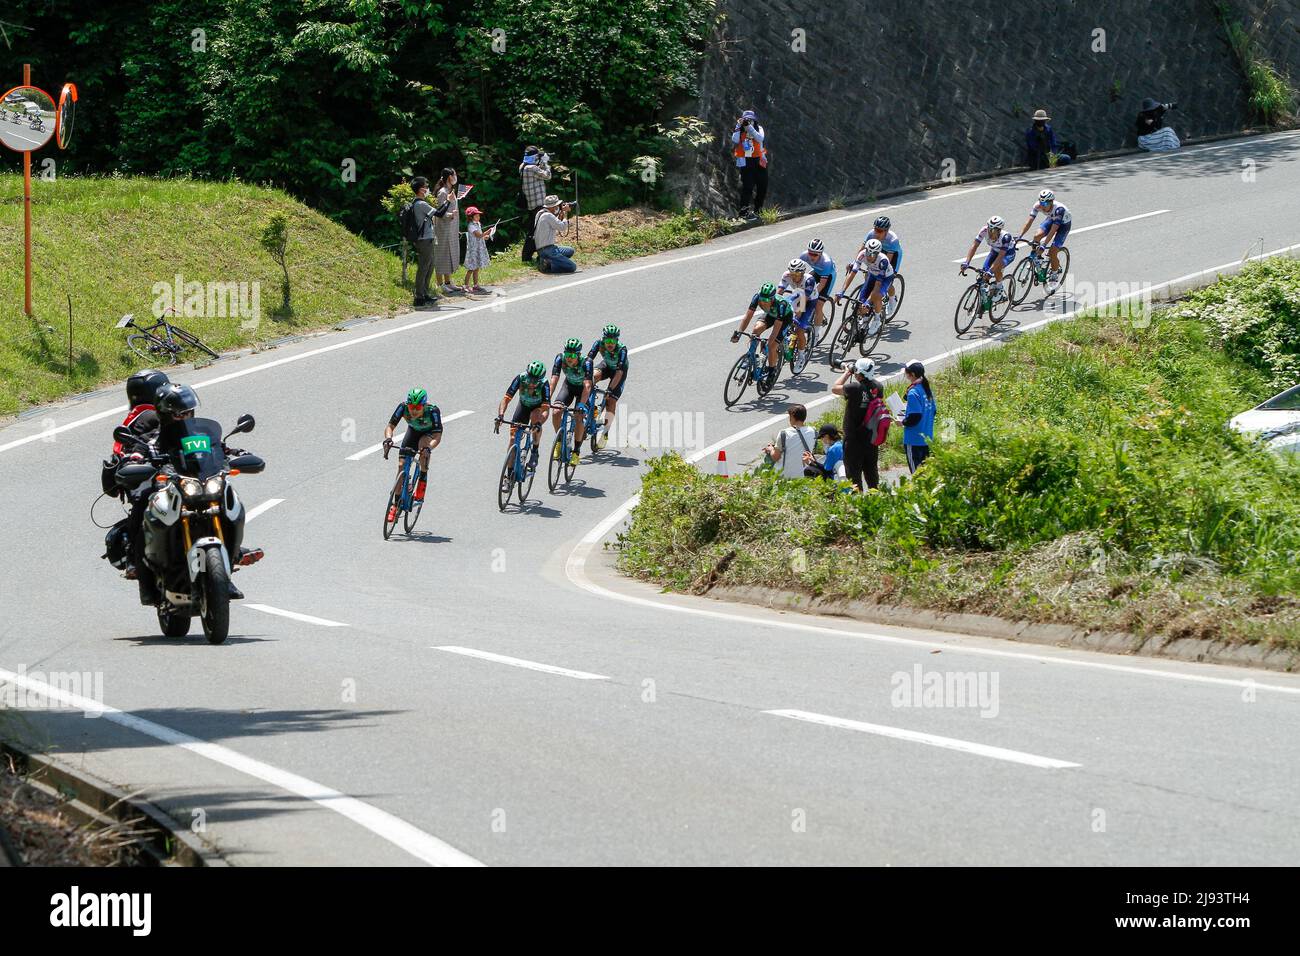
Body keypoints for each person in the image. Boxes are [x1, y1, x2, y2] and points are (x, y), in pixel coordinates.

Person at [152, 383, 261, 599]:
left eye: (189, 412)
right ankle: (156, 563)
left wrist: (236, 453)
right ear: (165, 415)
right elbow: (140, 455)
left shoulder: (201, 435)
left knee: (231, 503)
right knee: (150, 513)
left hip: (203, 485)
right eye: (179, 415)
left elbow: (219, 448)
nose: (186, 417)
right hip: (174, 490)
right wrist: (137, 460)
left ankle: (229, 564)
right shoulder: (156, 441)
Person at [101, 368, 170, 592]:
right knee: (144, 504)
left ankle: (227, 550)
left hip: (171, 471)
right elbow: (143, 444)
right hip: (149, 476)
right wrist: (138, 455)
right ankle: (134, 556)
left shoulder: (136, 418)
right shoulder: (150, 417)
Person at [382, 387, 443, 523]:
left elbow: (438, 436)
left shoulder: (433, 411)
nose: (414, 410)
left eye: (417, 407)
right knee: (401, 466)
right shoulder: (402, 407)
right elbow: (390, 426)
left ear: (424, 405)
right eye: (411, 406)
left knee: (423, 449)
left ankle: (422, 478)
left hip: (429, 434)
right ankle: (395, 505)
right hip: (413, 432)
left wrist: (428, 448)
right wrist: (388, 439)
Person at [831, 358, 885, 491]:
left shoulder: (854, 388)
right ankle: (875, 502)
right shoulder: (878, 387)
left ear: (858, 372)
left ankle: (857, 506)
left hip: (853, 441)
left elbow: (835, 388)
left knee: (854, 478)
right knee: (872, 476)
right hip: (871, 439)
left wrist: (847, 372)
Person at [732, 282, 794, 388]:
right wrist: (739, 332)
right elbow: (748, 316)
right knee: (756, 330)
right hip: (770, 315)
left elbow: (776, 327)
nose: (763, 302)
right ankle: (751, 355)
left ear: (772, 298)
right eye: (762, 299)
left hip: (784, 319)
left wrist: (771, 341)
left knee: (771, 346)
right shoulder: (757, 297)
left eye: (766, 300)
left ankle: (772, 371)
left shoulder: (781, 304)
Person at [496, 361, 551, 471]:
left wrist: (539, 423)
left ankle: (535, 451)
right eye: (530, 378)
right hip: (523, 407)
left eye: (535, 380)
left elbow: (546, 409)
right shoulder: (520, 378)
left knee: (535, 417)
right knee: (512, 440)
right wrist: (500, 416)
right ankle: (509, 474)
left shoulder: (544, 384)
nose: (532, 382)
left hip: (538, 408)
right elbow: (506, 398)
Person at [837, 238, 895, 337]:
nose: (869, 256)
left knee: (876, 296)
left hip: (885, 278)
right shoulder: (862, 254)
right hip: (872, 274)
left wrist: (868, 302)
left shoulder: (883, 261)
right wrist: (842, 291)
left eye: (872, 254)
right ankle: (864, 320)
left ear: (877, 254)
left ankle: (877, 319)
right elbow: (852, 273)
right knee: (861, 301)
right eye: (868, 253)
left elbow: (877, 286)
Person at [549, 338, 593, 465]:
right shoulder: (560, 358)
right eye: (567, 354)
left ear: (578, 355)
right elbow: (554, 379)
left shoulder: (587, 362)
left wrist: (581, 404)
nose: (569, 358)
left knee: (579, 416)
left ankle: (576, 451)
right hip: (568, 387)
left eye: (572, 355)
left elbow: (587, 386)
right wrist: (547, 398)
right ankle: (559, 441)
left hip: (583, 390)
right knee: (556, 412)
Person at [960, 215, 1017, 301]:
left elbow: (1001, 256)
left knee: (996, 269)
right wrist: (966, 262)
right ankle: (984, 301)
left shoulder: (1005, 237)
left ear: (999, 230)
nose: (990, 232)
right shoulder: (984, 230)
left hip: (1007, 254)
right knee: (983, 274)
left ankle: (999, 289)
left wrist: (991, 271)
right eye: (989, 228)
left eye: (993, 230)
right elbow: (974, 246)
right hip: (994, 251)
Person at [588, 324, 627, 445]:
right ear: (603, 339)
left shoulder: (622, 350)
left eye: (613, 340)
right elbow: (588, 360)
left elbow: (619, 372)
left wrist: (610, 389)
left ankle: (605, 432)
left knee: (611, 401)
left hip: (619, 372)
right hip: (606, 366)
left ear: (617, 340)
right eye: (607, 340)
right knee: (591, 377)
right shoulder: (598, 343)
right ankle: (589, 405)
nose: (610, 343)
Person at [1018, 189, 1072, 278]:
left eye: (1045, 204)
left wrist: (1044, 244)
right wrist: (1020, 235)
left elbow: (1054, 229)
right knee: (1036, 236)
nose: (1042, 206)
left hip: (1063, 225)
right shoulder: (1037, 206)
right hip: (1051, 219)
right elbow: (1029, 221)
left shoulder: (1059, 210)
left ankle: (1055, 272)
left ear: (1051, 202)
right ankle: (1038, 259)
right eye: (1041, 202)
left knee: (1052, 252)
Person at [899, 360, 937, 473]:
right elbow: (933, 411)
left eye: (906, 372)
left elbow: (915, 417)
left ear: (912, 375)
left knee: (917, 476)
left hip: (913, 440)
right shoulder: (927, 389)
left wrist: (902, 422)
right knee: (926, 476)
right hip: (927, 438)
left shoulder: (913, 392)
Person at [731, 109, 768, 220]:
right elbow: (735, 140)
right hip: (746, 161)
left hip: (759, 159)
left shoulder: (758, 128)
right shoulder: (739, 129)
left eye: (751, 120)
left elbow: (760, 138)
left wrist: (749, 128)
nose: (749, 121)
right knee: (748, 187)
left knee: (763, 186)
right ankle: (743, 213)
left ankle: (758, 210)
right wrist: (739, 126)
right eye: (747, 120)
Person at [776, 258, 816, 359]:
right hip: (797, 294)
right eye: (792, 274)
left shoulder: (809, 280)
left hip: (810, 300)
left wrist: (796, 316)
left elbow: (803, 301)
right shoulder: (786, 275)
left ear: (802, 273)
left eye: (796, 275)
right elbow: (779, 293)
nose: (793, 277)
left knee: (799, 330)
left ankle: (802, 356)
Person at [764, 404, 817, 479]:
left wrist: (771, 449)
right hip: (805, 475)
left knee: (768, 460)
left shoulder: (784, 433)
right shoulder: (813, 431)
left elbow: (776, 457)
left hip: (785, 476)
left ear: (792, 417)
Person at [518, 145, 552, 262]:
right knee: (536, 231)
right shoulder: (532, 168)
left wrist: (541, 162)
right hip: (538, 204)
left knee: (533, 229)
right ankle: (528, 256)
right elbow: (547, 176)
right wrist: (545, 163)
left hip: (531, 204)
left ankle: (531, 255)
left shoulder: (522, 166)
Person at [433, 168, 463, 294]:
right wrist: (450, 214)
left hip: (451, 228)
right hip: (442, 229)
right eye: (454, 174)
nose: (456, 176)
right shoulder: (443, 192)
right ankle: (439, 284)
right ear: (449, 177)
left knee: (449, 255)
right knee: (442, 255)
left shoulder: (450, 191)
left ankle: (448, 282)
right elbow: (439, 212)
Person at [409, 176, 438, 307]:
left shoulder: (419, 203)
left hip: (428, 238)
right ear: (421, 189)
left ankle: (425, 293)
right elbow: (440, 213)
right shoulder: (420, 204)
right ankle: (419, 297)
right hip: (424, 240)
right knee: (423, 267)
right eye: (426, 187)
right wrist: (448, 201)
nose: (428, 189)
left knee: (429, 266)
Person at [799, 238, 836, 332]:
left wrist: (811, 295)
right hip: (816, 272)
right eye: (810, 253)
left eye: (815, 254)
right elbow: (799, 273)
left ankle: (816, 333)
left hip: (828, 277)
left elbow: (822, 284)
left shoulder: (826, 262)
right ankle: (800, 318)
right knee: (801, 294)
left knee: (818, 305)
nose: (812, 256)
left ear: (820, 254)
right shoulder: (804, 255)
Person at [534, 195, 577, 274]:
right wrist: (565, 214)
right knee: (572, 267)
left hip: (543, 249)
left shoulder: (540, 213)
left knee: (570, 250)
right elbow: (562, 227)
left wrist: (560, 213)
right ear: (552, 206)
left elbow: (553, 222)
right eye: (556, 205)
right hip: (548, 249)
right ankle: (548, 265)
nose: (557, 207)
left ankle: (545, 259)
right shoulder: (548, 216)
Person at [462, 206, 495, 295]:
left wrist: (485, 237)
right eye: (476, 216)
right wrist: (487, 232)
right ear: (471, 217)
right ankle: (465, 285)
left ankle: (476, 284)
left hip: (478, 248)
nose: (478, 217)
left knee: (476, 268)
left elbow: (480, 236)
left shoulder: (478, 224)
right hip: (473, 249)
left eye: (478, 216)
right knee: (471, 268)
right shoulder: (471, 226)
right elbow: (478, 235)